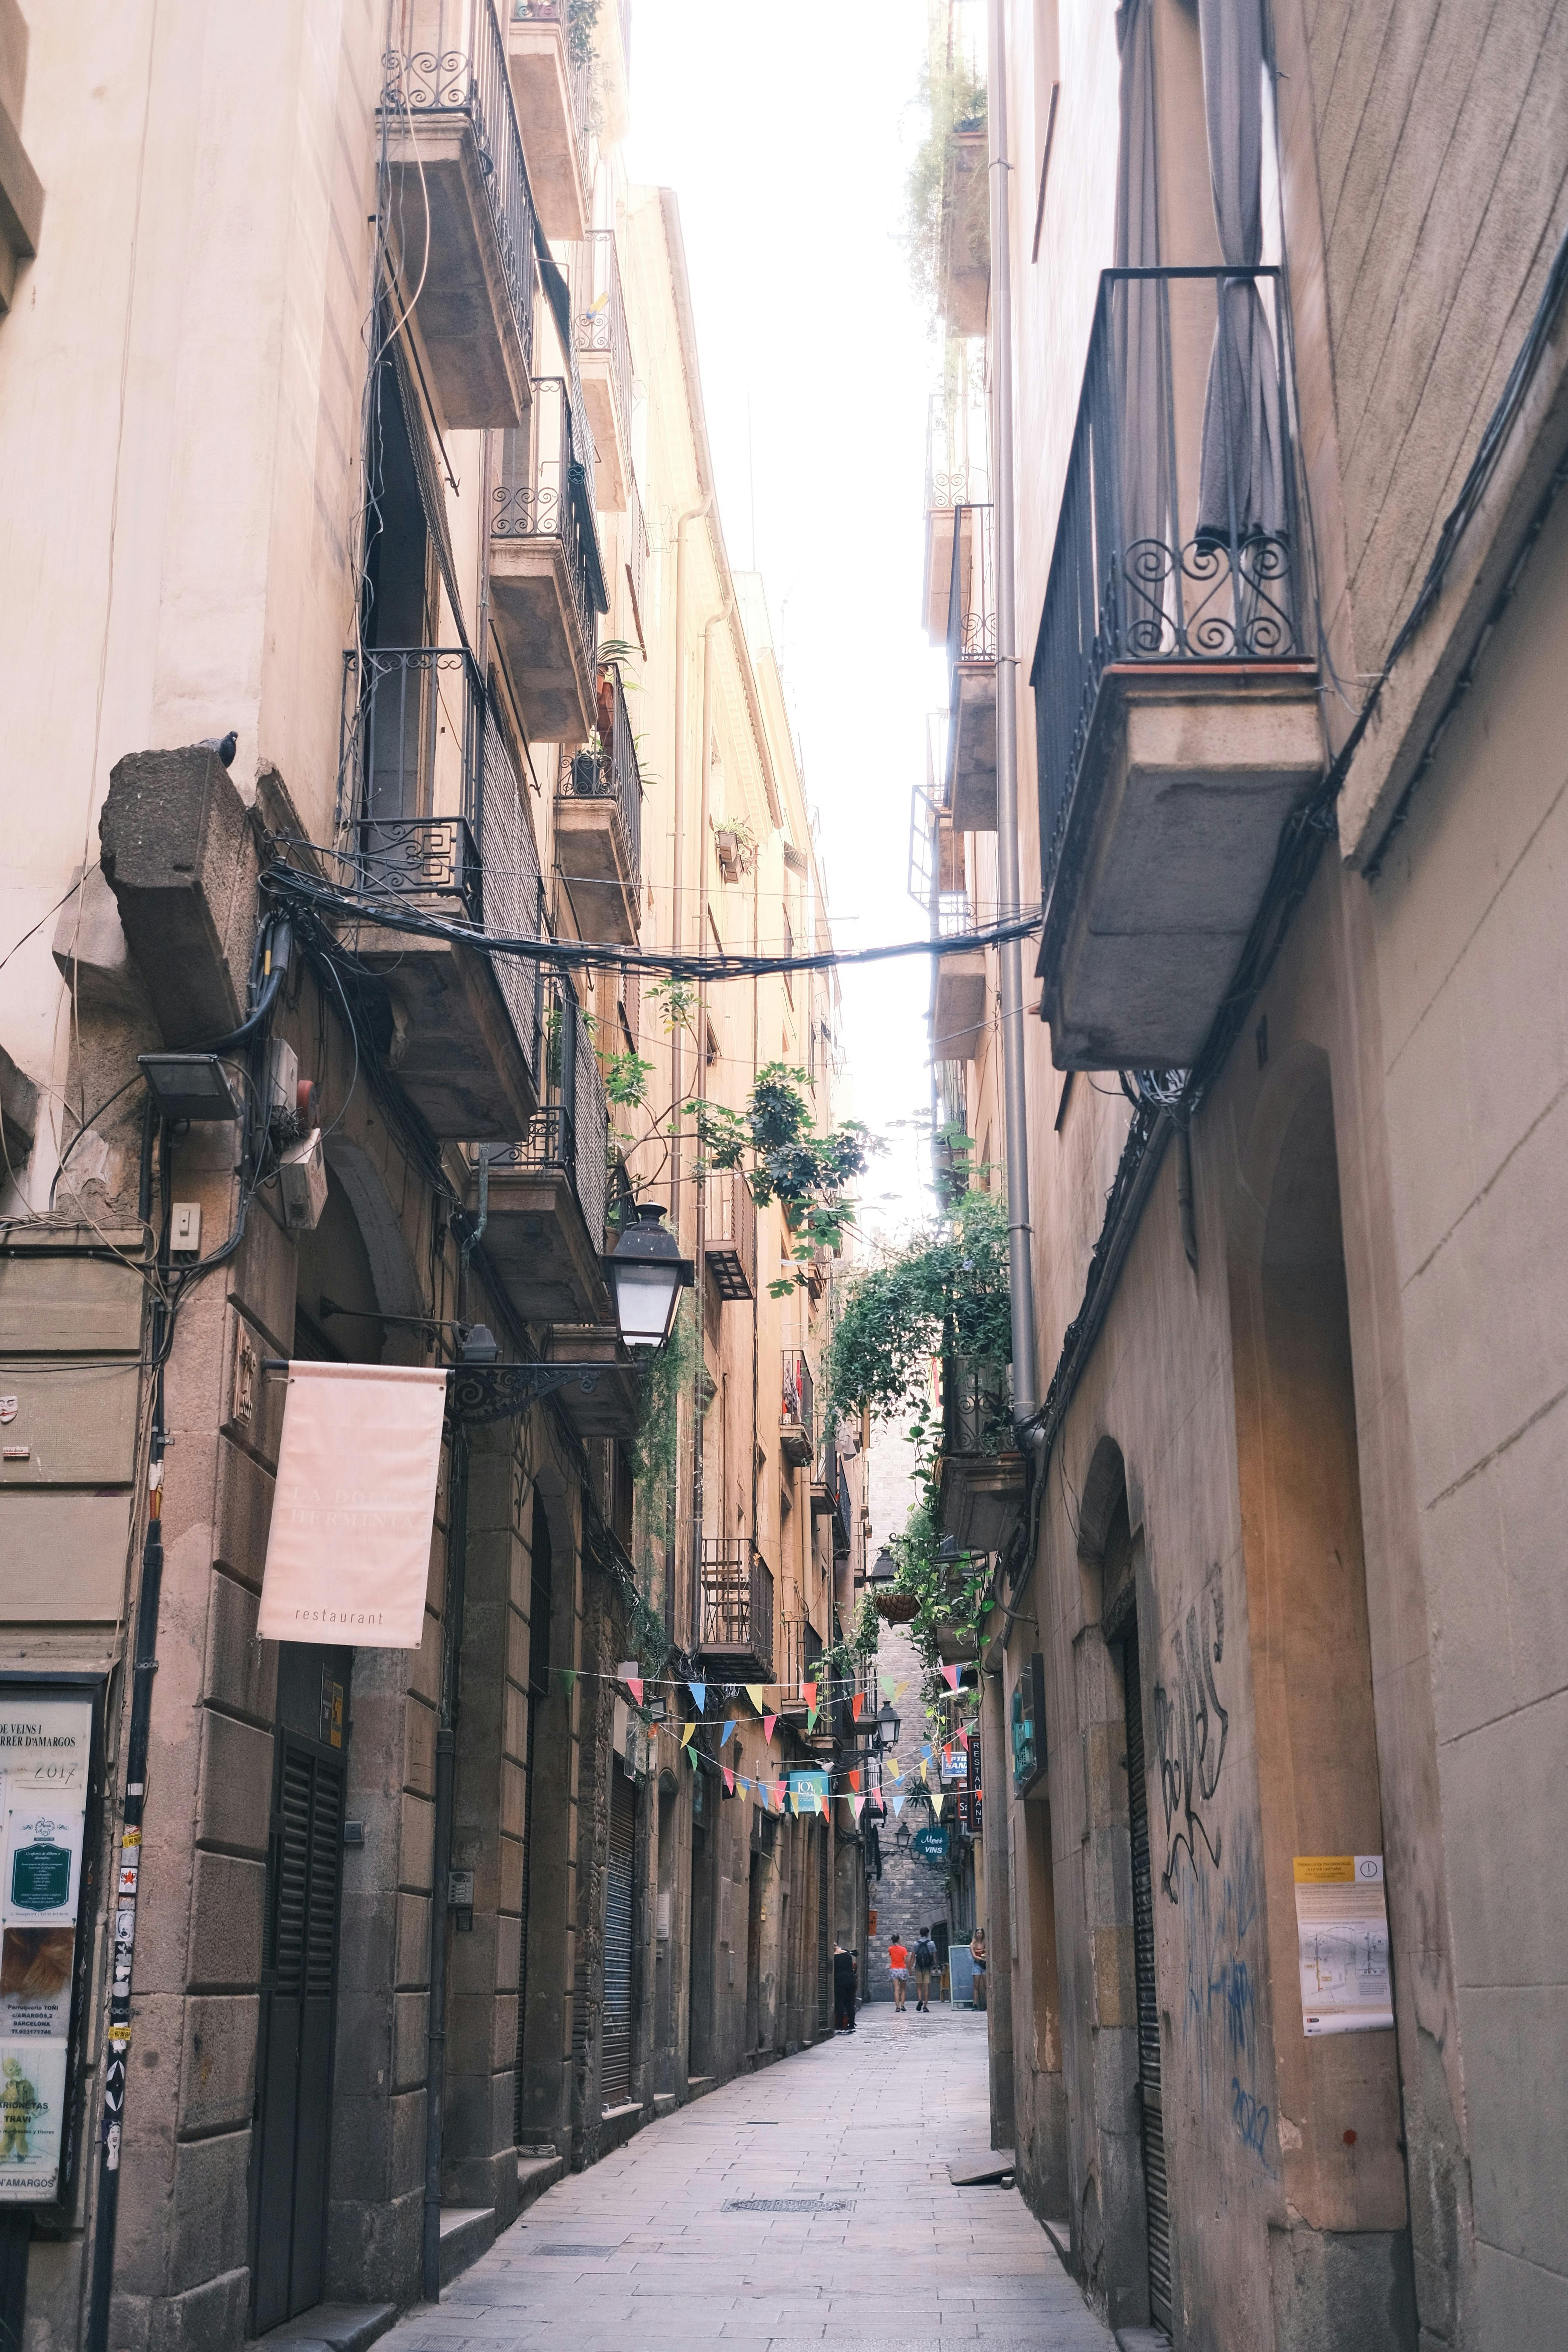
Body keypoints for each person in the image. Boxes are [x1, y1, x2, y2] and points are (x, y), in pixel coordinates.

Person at [833, 1940, 858, 2032]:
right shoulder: (847, 1954)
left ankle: (840, 2026)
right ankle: (851, 2024)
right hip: (851, 1980)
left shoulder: (834, 1957)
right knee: (849, 2003)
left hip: (840, 1981)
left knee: (840, 2003)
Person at [913, 1926, 938, 2012]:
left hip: (919, 1967)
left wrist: (910, 1967)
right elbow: (935, 1956)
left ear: (920, 1934)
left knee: (919, 1985)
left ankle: (920, 2000)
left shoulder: (916, 1944)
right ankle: (925, 2006)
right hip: (927, 1967)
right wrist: (936, 1967)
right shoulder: (931, 1943)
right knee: (926, 1987)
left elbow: (914, 1956)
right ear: (928, 1934)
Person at [888, 1931, 909, 2011]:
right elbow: (906, 1960)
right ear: (899, 1940)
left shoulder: (890, 1949)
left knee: (896, 1989)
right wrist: (909, 1969)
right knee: (903, 1989)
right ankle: (903, 2005)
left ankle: (897, 2007)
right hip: (902, 1969)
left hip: (894, 1969)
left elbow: (891, 1956)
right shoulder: (903, 1949)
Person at [970, 1924, 987, 2012]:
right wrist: (983, 1959)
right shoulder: (973, 1944)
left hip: (985, 1966)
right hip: (977, 1965)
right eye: (978, 1933)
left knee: (986, 1986)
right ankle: (975, 2005)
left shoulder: (985, 1943)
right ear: (976, 1934)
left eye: (981, 1933)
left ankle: (988, 2004)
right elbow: (974, 1956)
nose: (979, 1935)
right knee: (976, 1986)